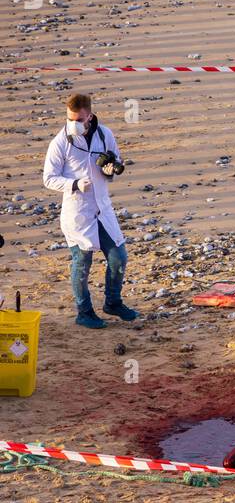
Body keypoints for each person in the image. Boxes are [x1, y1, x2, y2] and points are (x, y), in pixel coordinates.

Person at [43, 92, 137, 328]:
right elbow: (48, 178)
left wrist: (110, 169)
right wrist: (73, 184)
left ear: (90, 117)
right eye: (70, 119)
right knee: (82, 262)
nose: (73, 124)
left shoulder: (105, 135)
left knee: (119, 257)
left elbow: (116, 161)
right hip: (78, 213)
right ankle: (84, 312)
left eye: (78, 119)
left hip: (102, 209)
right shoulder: (60, 142)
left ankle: (112, 303)